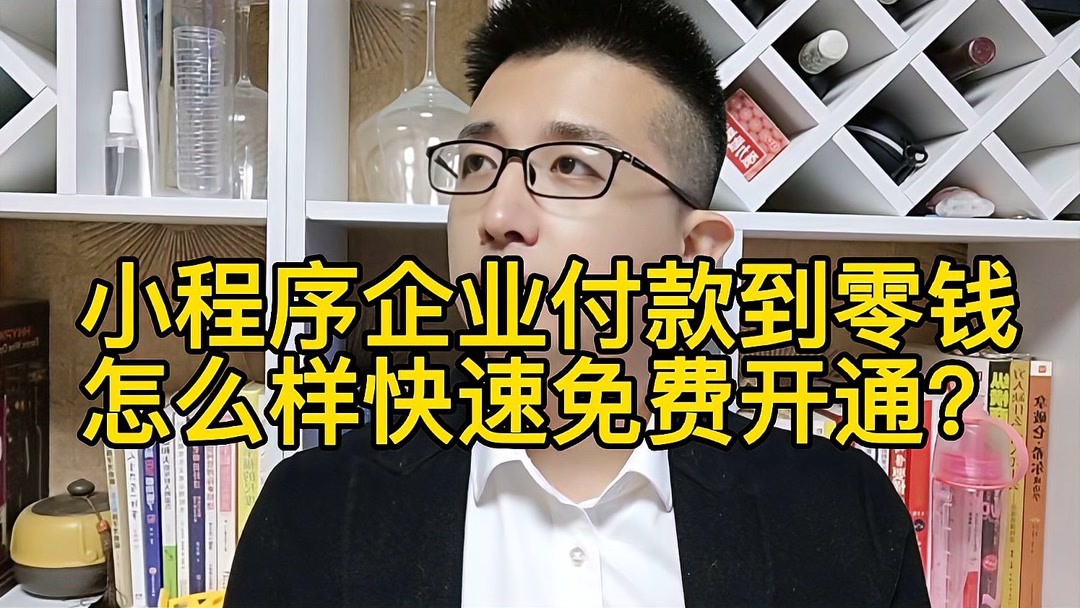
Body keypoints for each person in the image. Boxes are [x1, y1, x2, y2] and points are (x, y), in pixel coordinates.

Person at [223, 0, 931, 606]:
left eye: (569, 165)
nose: (498, 215)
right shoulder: (313, 514)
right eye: (477, 164)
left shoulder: (840, 516)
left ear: (695, 252)